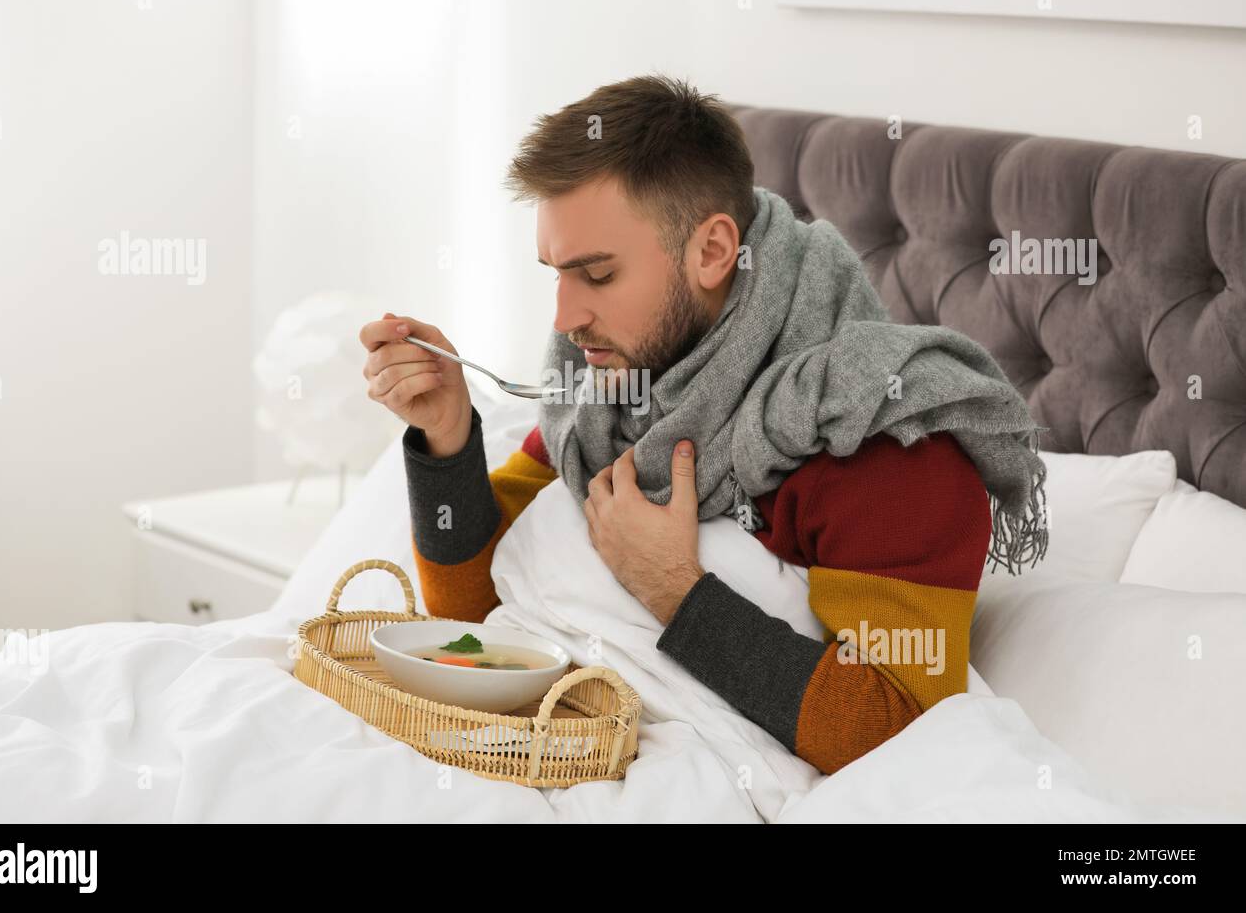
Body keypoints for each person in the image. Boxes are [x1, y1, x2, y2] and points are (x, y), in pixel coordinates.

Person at [359, 75, 997, 775]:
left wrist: (673, 590)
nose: (563, 319)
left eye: (597, 275)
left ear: (714, 252)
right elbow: (473, 610)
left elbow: (899, 729)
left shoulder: (888, 446)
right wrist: (447, 435)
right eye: (555, 273)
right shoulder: (604, 389)